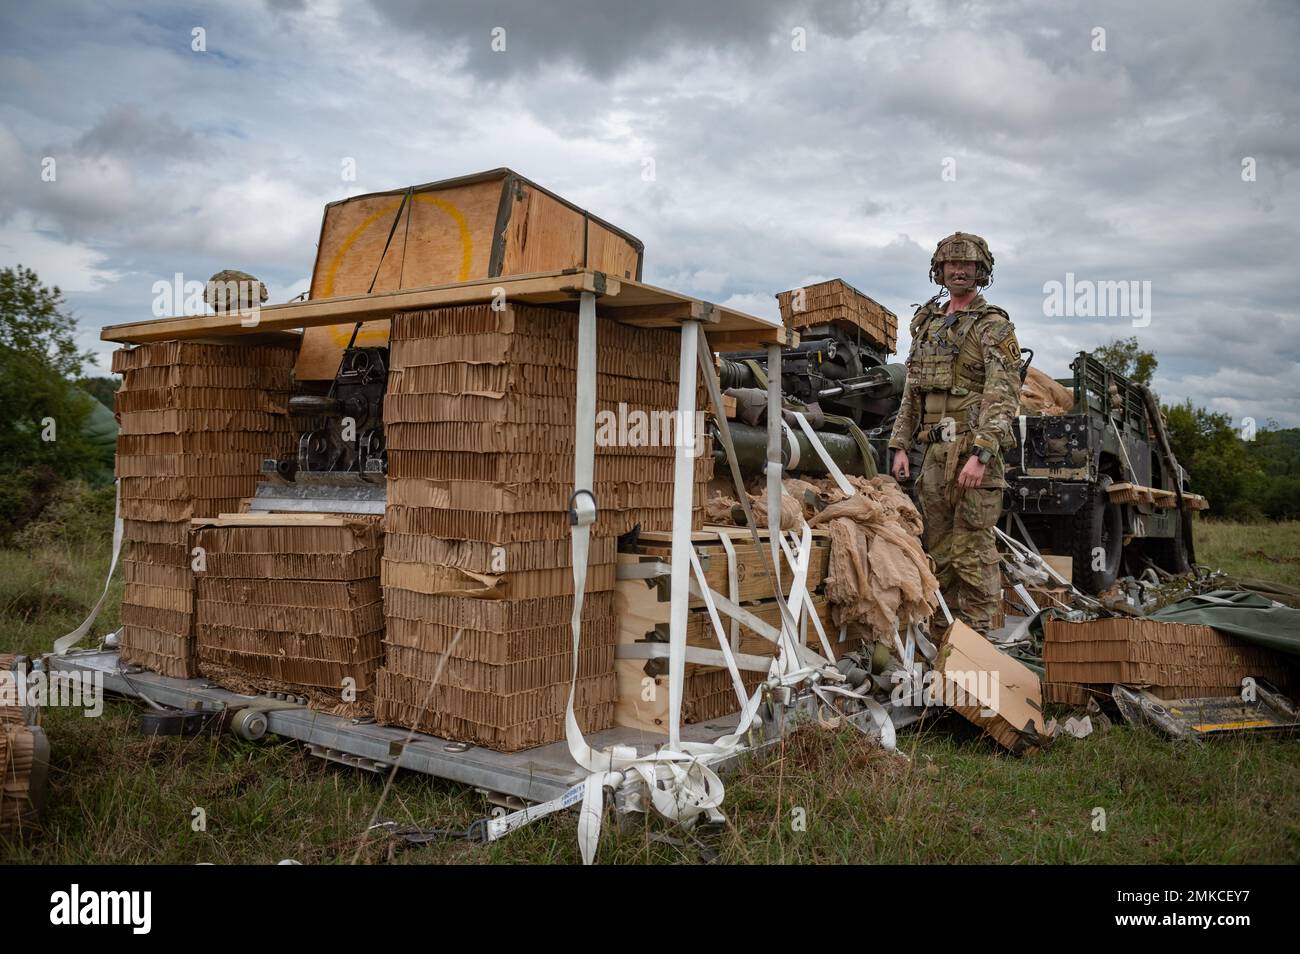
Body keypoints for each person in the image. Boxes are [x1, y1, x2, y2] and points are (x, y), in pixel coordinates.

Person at [888, 232, 1021, 632]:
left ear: (981, 272)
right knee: (938, 554)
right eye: (951, 263)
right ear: (940, 270)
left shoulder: (992, 325)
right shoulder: (927, 324)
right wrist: (899, 444)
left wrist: (982, 454)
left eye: (967, 265)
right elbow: (914, 389)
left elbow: (1003, 393)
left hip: (970, 455)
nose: (959, 270)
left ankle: (979, 650)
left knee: (973, 553)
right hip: (932, 456)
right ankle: (943, 642)